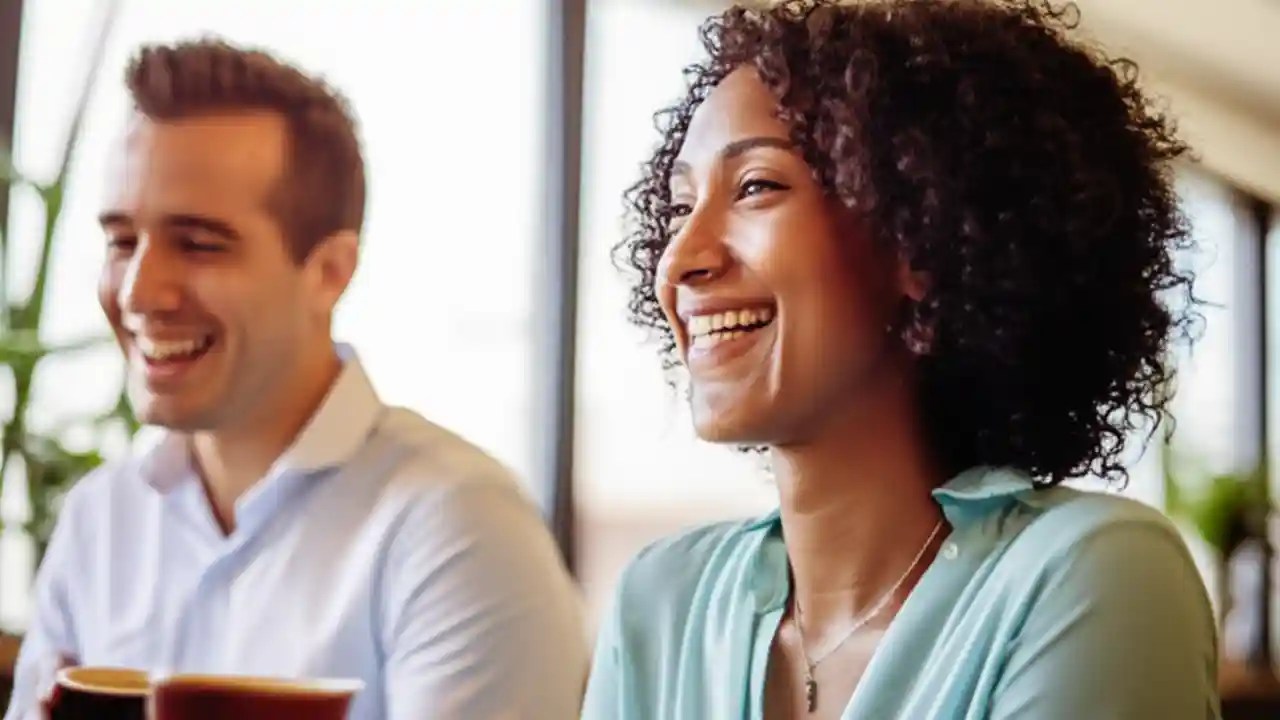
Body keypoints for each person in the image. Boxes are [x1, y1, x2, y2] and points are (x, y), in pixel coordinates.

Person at [583, 1, 1219, 719]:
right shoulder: (662, 603)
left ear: (919, 239)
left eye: (757, 186)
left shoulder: (1093, 574)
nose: (680, 259)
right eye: (679, 208)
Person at [5, 39, 587, 720]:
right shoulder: (101, 520)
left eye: (198, 244)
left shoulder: (455, 527)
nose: (139, 291)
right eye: (122, 242)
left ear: (329, 272)